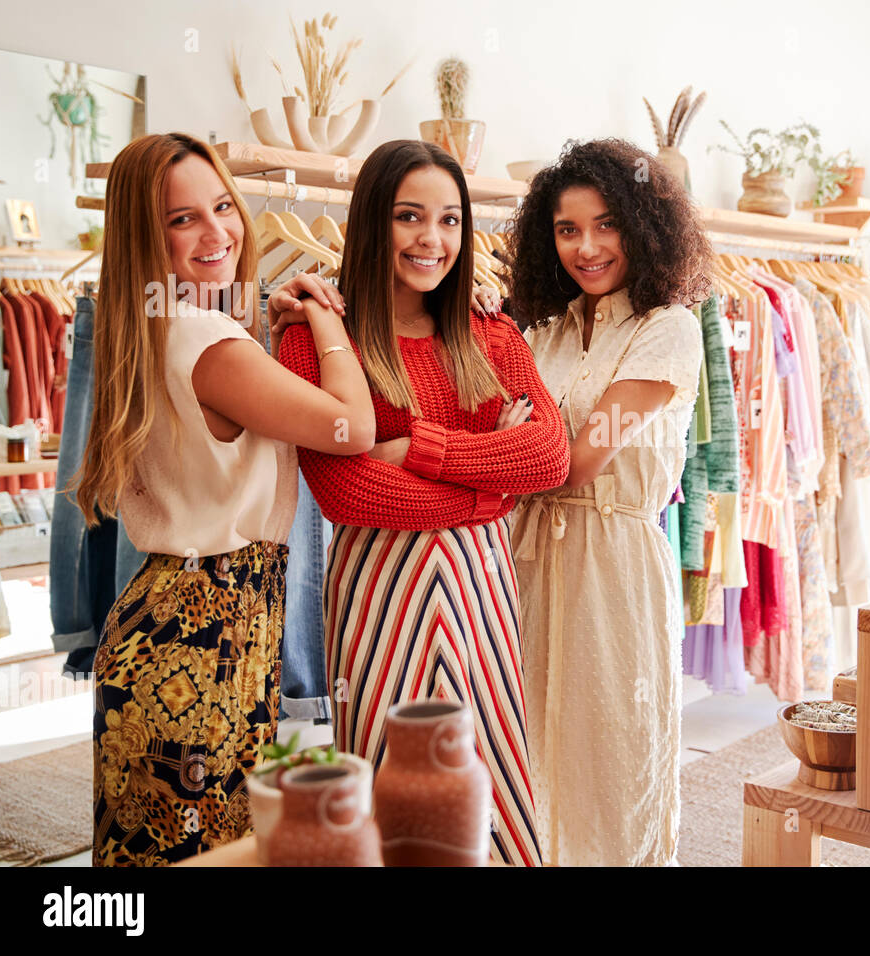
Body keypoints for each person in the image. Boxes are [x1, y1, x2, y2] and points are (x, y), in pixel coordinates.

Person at [75, 132, 375, 866]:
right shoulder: (206, 337)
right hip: (203, 639)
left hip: (179, 628)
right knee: (209, 854)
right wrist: (324, 316)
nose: (217, 233)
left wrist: (263, 324)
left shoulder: (151, 325)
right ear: (149, 235)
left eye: (221, 206)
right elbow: (354, 427)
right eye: (182, 220)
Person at [275, 140, 568, 867]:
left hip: (482, 584)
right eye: (410, 217)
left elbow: (550, 455)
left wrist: (416, 451)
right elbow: (346, 491)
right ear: (374, 220)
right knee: (391, 777)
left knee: (487, 762)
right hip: (379, 587)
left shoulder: (491, 332)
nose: (431, 240)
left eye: (449, 220)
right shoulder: (314, 336)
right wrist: (487, 490)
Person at [506, 138, 712, 865]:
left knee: (613, 755)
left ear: (642, 225)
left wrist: (468, 459)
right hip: (525, 561)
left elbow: (578, 460)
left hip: (613, 566)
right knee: (527, 752)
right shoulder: (545, 331)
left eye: (605, 224)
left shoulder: (669, 332)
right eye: (567, 229)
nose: (586, 247)